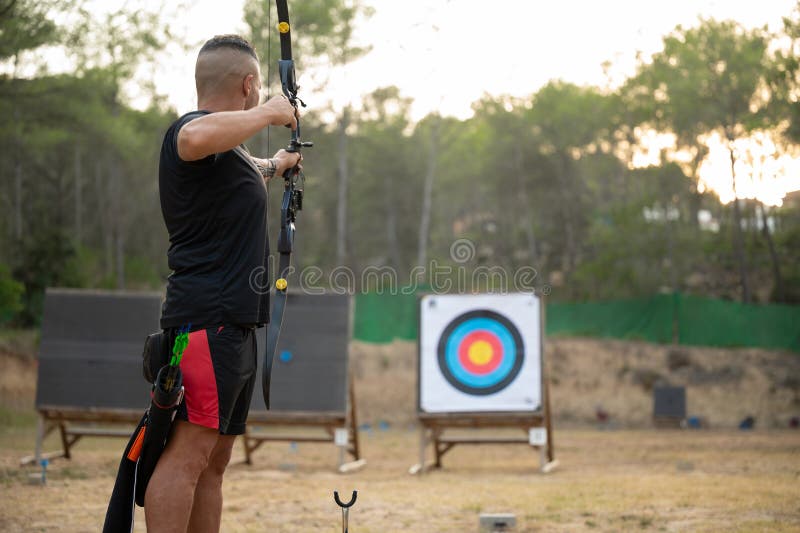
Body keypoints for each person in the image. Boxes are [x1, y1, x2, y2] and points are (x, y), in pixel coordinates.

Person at [145, 34, 300, 533]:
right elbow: (194, 139)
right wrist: (272, 113)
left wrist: (278, 163)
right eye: (259, 93)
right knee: (187, 456)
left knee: (213, 461)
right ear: (250, 85)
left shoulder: (228, 153)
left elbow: (248, 169)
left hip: (232, 324)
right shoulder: (190, 131)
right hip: (205, 321)